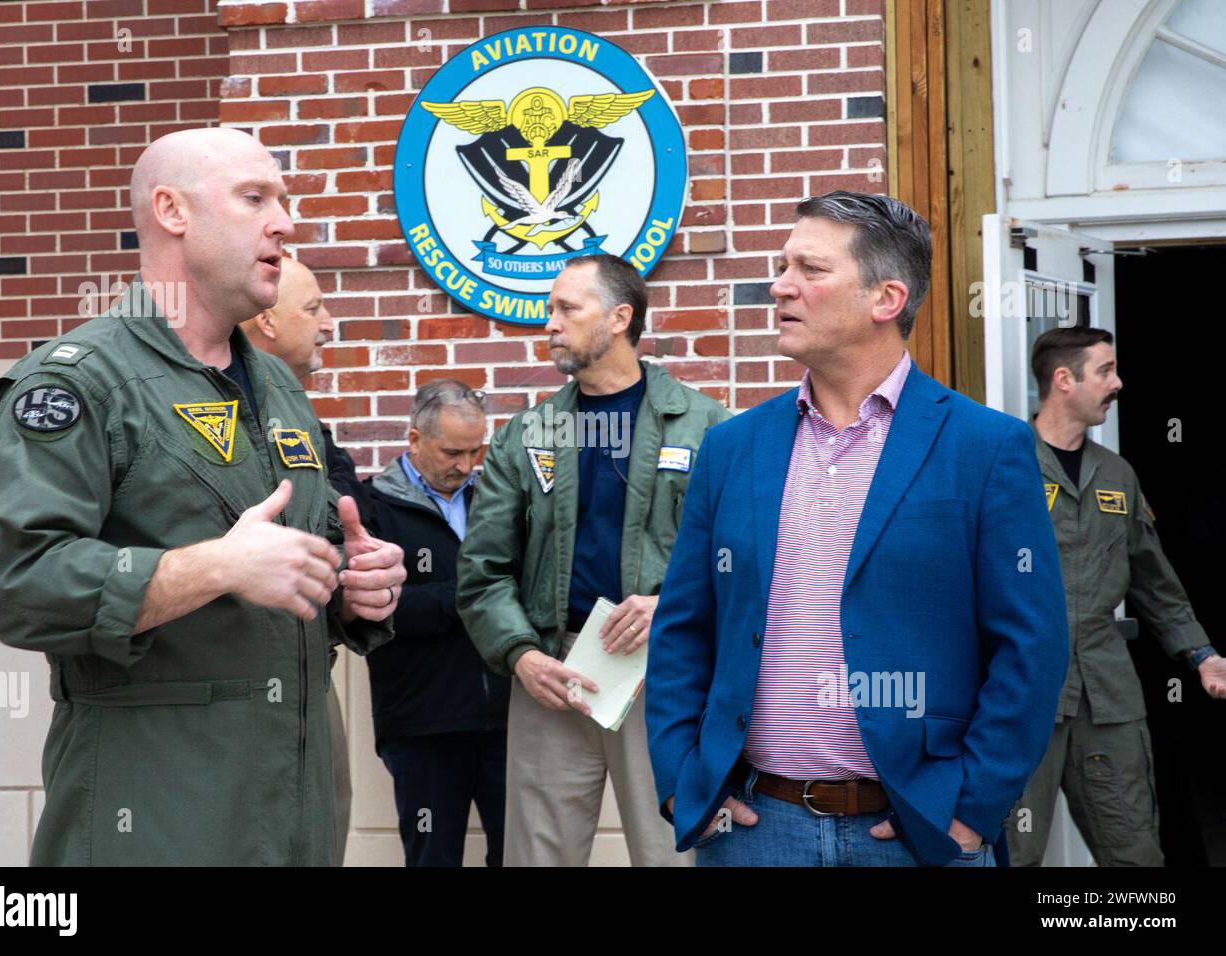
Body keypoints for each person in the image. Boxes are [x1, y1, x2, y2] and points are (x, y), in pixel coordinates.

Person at [0, 128, 406, 866]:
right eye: (255, 198)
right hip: (156, 824)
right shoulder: (76, 383)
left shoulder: (279, 389)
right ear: (172, 211)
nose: (286, 222)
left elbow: (280, 573)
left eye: (284, 199)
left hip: (291, 818)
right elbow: (23, 584)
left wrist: (347, 587)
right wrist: (216, 568)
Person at [645, 191, 1069, 867]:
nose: (780, 286)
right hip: (756, 830)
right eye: (782, 266)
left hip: (917, 830)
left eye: (809, 270)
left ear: (886, 299)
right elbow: (682, 629)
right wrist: (681, 782)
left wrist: (968, 810)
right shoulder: (731, 449)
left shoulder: (987, 447)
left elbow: (1032, 645)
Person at [456, 253, 730, 866]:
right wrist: (520, 655)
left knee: (674, 853)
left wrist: (668, 607)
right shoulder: (527, 434)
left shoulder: (706, 426)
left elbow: (742, 563)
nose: (547, 323)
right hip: (552, 672)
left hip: (666, 672)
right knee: (537, 857)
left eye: (565, 309)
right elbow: (482, 571)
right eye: (549, 308)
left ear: (618, 318)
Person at [1007, 326, 1225, 867]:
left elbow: (1154, 581)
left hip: (1107, 694)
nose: (1118, 383)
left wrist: (1200, 655)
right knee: (1011, 848)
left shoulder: (1117, 475)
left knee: (1133, 851)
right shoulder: (1003, 466)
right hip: (1020, 692)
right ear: (1064, 379)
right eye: (1105, 370)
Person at [359, 380, 509, 867]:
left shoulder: (495, 500)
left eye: (475, 450)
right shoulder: (371, 507)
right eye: (452, 452)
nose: (465, 466)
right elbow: (380, 609)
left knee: (518, 856)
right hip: (422, 723)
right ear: (414, 440)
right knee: (432, 859)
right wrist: (474, 595)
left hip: (508, 721)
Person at [240, 255, 352, 865]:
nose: (329, 323)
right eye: (313, 309)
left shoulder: (300, 415)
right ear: (266, 321)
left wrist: (362, 582)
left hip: (311, 670)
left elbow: (339, 521)